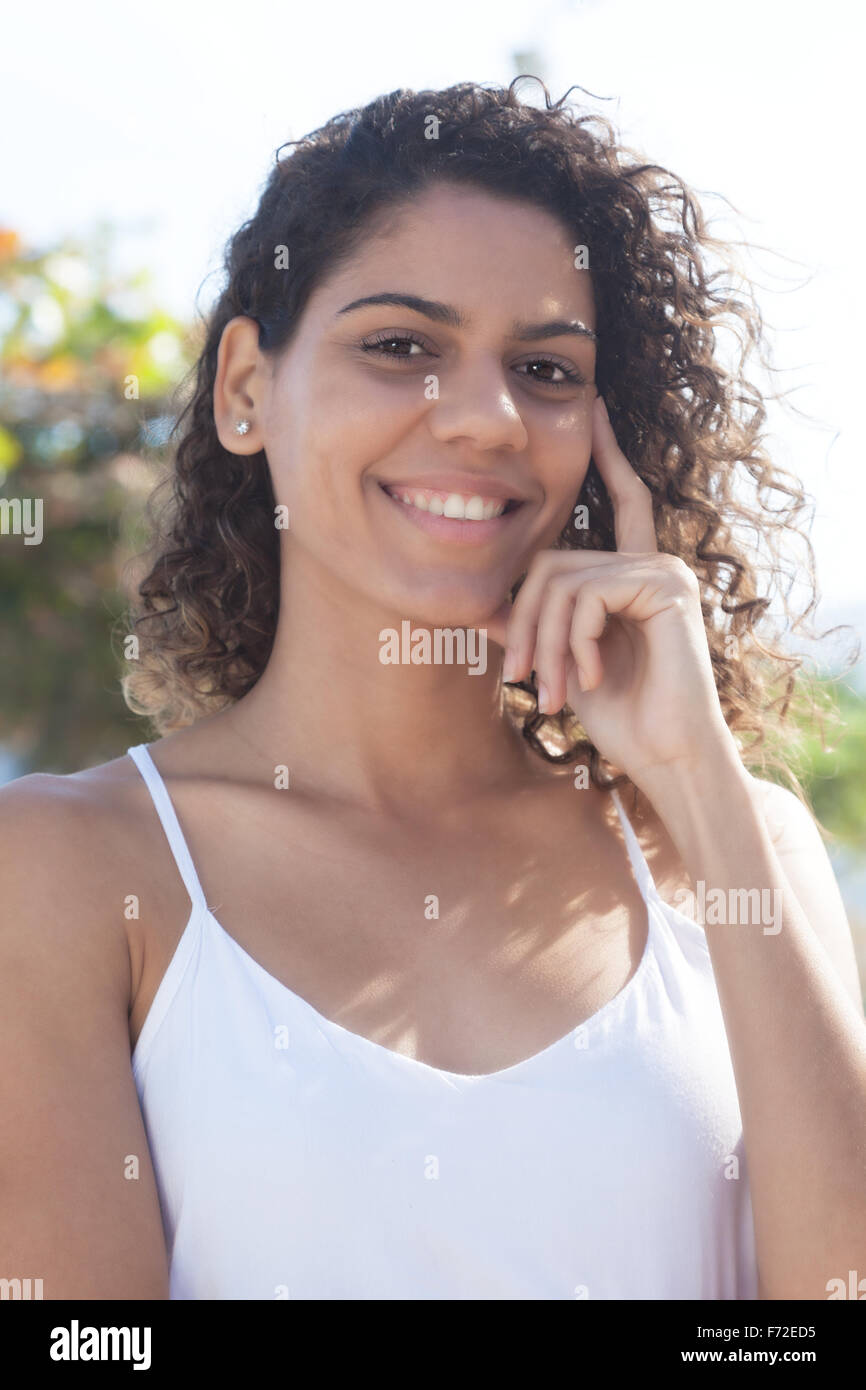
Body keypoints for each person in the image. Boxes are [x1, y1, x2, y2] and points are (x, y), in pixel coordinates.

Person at [2, 79, 864, 1302]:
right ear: (246, 387)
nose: (483, 418)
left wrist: (698, 779)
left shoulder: (733, 850)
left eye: (545, 368)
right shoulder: (66, 869)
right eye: (400, 346)